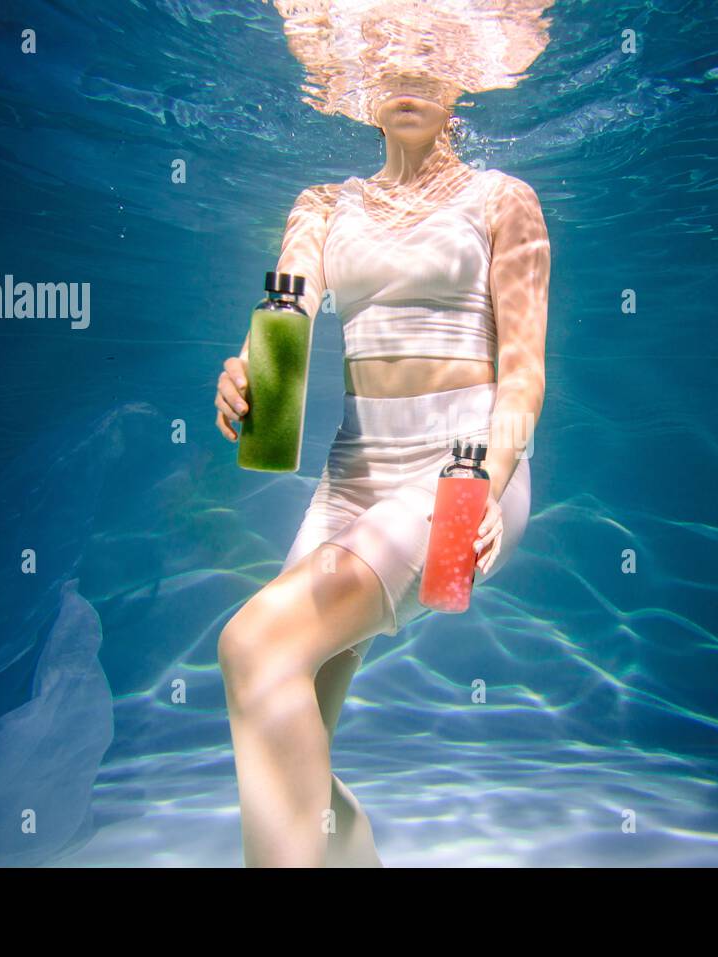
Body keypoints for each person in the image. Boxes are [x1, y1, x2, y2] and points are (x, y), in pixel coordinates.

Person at [213, 77, 550, 867]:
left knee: (254, 645)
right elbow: (283, 324)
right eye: (387, 66)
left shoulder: (506, 199)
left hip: (461, 469)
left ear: (463, 81)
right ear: (357, 87)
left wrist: (487, 485)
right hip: (351, 478)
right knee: (287, 738)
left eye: (426, 64)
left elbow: (525, 374)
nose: (405, 80)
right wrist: (245, 372)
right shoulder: (323, 204)